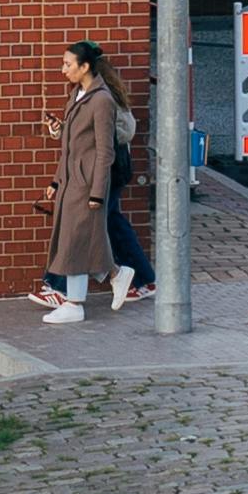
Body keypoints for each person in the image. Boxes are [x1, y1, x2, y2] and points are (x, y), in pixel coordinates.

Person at [41, 38, 118, 319]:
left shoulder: (101, 101)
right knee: (81, 239)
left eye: (68, 64)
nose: (63, 70)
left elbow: (104, 151)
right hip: (72, 180)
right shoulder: (77, 95)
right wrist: (56, 181)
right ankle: (116, 275)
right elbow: (70, 145)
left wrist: (97, 191)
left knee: (74, 241)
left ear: (84, 67)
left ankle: (74, 304)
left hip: (86, 183)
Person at [103, 58, 155, 312]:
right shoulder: (99, 95)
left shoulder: (107, 98)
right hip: (112, 170)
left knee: (111, 223)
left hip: (112, 169)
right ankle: (143, 277)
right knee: (113, 222)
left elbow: (127, 130)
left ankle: (140, 277)